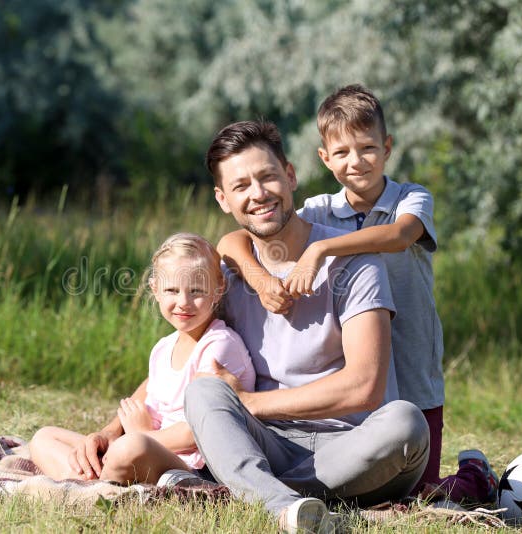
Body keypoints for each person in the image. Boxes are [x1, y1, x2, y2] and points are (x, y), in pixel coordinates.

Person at [216, 84, 498, 505]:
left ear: (387, 147)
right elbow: (231, 241)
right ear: (324, 159)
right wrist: (257, 278)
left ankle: (474, 476)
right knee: (368, 474)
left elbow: (399, 237)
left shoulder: (411, 198)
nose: (356, 161)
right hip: (355, 357)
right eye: (342, 152)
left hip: (412, 364)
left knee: (415, 491)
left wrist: (322, 248)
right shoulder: (318, 209)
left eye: (367, 148)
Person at [184, 119, 430, 533]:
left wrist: (253, 403)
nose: (258, 194)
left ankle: (244, 488)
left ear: (291, 175)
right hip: (267, 442)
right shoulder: (229, 273)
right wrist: (116, 429)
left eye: (267, 177)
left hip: (354, 447)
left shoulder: (356, 263)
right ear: (223, 200)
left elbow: (364, 386)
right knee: (203, 391)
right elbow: (178, 358)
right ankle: (284, 507)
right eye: (241, 186)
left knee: (406, 423)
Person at [29, 233, 255, 485]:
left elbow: (199, 430)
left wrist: (142, 435)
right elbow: (149, 390)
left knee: (129, 449)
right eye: (171, 290)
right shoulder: (163, 348)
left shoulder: (220, 345)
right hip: (144, 447)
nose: (183, 302)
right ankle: (94, 478)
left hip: (193, 466)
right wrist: (107, 434)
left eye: (197, 291)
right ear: (155, 290)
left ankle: (90, 481)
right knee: (44, 438)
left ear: (219, 287)